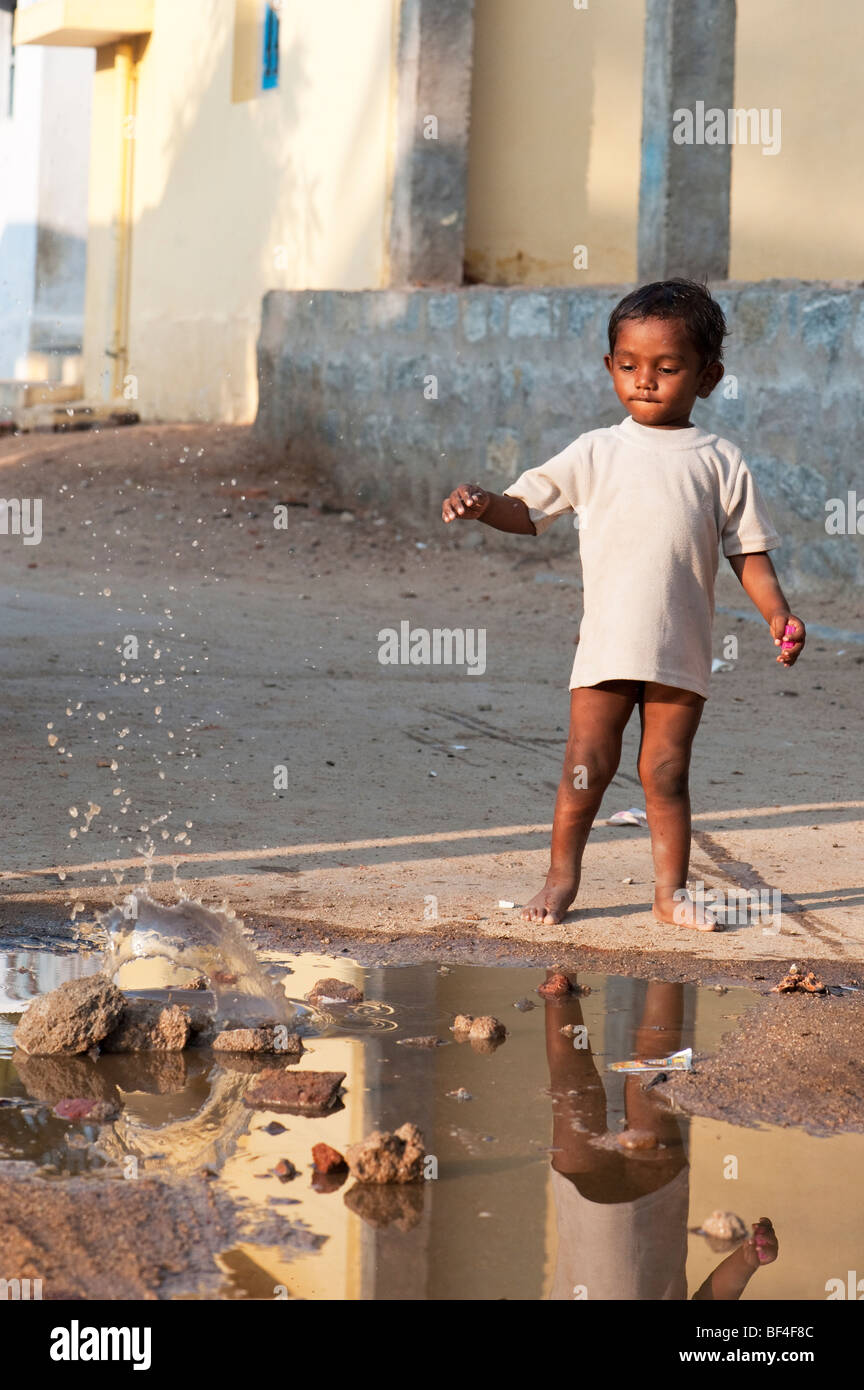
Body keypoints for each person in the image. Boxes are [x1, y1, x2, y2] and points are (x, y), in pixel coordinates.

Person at [441, 279, 805, 928]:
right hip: (608, 647)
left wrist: (778, 613)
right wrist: (482, 501)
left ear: (708, 376)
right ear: (611, 366)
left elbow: (747, 552)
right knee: (586, 765)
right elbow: (528, 512)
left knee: (665, 772)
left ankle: (671, 895)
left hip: (680, 653)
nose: (645, 380)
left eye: (667, 368)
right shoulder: (596, 451)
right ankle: (560, 881)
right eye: (629, 366)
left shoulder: (720, 461)